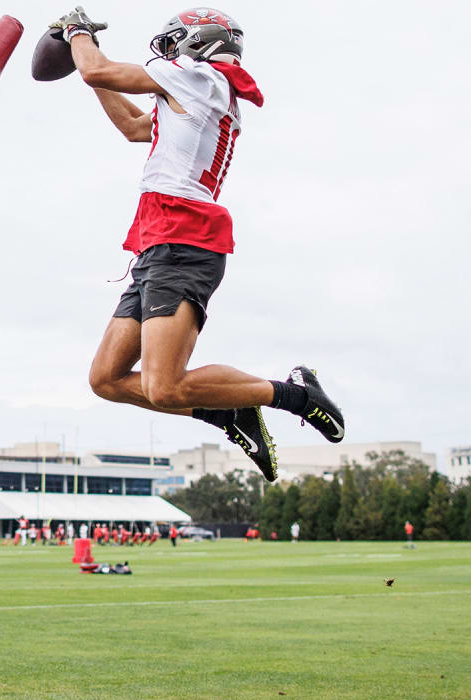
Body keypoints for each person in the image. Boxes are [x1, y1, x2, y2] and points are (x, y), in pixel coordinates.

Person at [51, 7, 346, 485]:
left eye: (174, 43)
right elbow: (130, 125)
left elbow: (96, 71)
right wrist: (91, 61)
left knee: (164, 387)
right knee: (105, 379)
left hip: (183, 241)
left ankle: (295, 395)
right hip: (158, 244)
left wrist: (77, 32)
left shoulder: (200, 78)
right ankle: (225, 413)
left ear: (198, 43)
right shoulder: (200, 91)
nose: (167, 54)